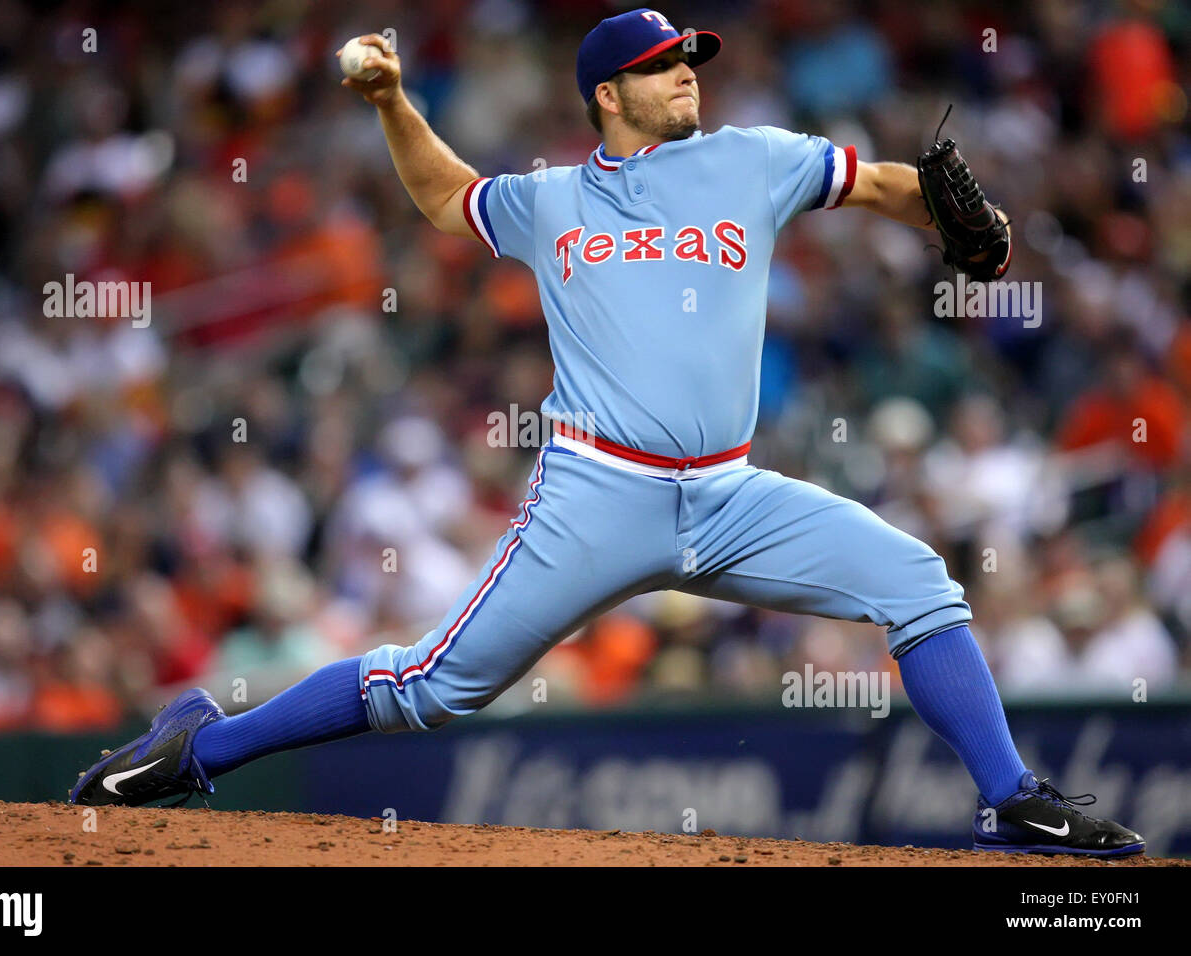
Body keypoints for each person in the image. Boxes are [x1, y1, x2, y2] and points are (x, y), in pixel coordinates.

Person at [71, 9, 1143, 857]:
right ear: (608, 94)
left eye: (689, 58)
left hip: (730, 495)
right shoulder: (550, 201)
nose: (686, 73)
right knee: (429, 688)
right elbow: (447, 199)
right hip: (597, 493)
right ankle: (197, 747)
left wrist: (958, 223)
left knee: (917, 580)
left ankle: (1010, 799)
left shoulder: (753, 157)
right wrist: (395, 101)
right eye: (662, 63)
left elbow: (886, 183)